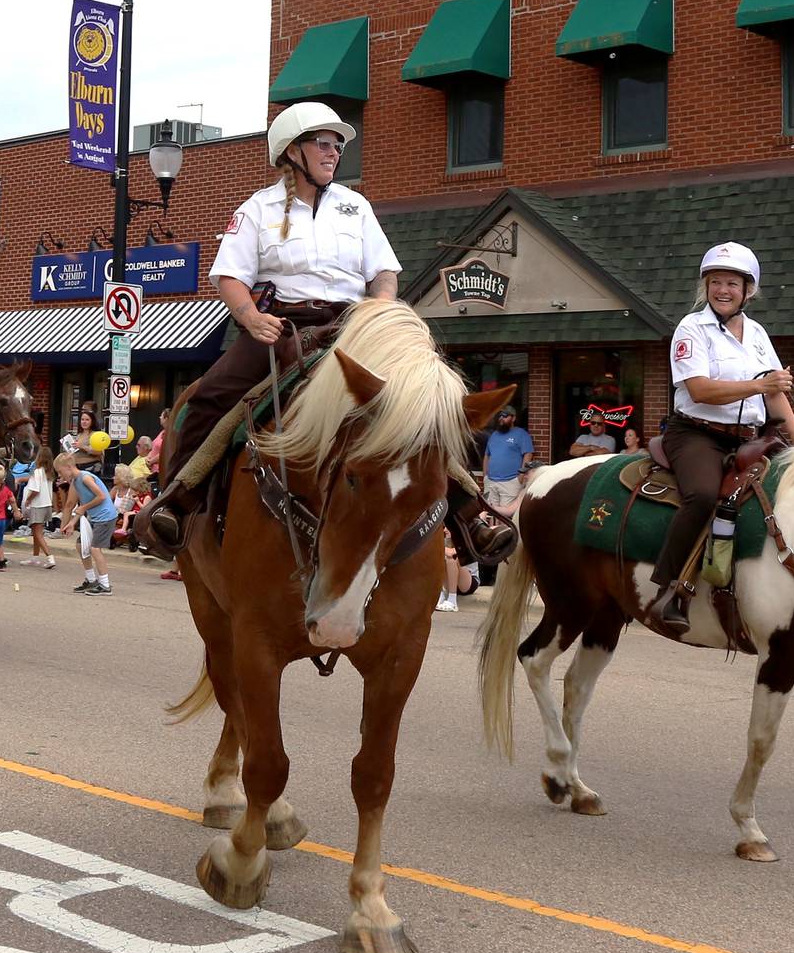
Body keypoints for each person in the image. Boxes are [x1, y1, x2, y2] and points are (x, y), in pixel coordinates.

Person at [134, 100, 514, 565]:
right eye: (323, 144)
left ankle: (471, 513)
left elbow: (383, 273)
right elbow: (229, 276)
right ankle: (178, 500)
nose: (334, 153)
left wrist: (381, 311)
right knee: (210, 397)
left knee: (415, 406)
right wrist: (251, 319)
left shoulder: (356, 207)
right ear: (292, 152)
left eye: (337, 146)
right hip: (280, 327)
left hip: (352, 328)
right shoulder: (257, 209)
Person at [650, 242, 794, 630]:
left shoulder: (756, 332)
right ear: (705, 287)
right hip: (696, 435)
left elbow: (774, 391)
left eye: (732, 283)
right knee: (702, 497)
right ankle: (668, 589)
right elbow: (700, 389)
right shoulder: (691, 328)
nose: (723, 289)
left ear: (748, 290)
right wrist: (758, 386)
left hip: (749, 436)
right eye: (716, 282)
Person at [57, 451, 116, 595]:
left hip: (105, 517)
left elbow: (102, 496)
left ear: (68, 467)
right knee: (80, 545)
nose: (60, 475)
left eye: (60, 471)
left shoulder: (85, 478)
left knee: (95, 549)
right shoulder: (75, 482)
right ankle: (91, 580)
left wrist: (84, 507)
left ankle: (105, 585)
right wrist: (72, 522)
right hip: (93, 518)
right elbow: (81, 506)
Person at [484, 407, 536, 503]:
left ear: (513, 418)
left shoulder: (521, 434)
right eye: (500, 416)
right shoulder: (494, 435)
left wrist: (521, 476)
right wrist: (485, 476)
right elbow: (487, 455)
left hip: (510, 482)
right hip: (491, 481)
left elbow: (528, 454)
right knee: (490, 513)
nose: (501, 418)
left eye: (505, 416)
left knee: (505, 516)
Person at [18, 446, 58, 569]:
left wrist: (28, 500)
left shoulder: (37, 472)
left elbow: (35, 490)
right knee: (37, 532)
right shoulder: (49, 473)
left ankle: (49, 557)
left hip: (37, 505)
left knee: (37, 532)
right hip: (47, 505)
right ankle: (35, 557)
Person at [436, 527, 479, 613]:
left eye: (448, 528)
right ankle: (440, 596)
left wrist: (441, 548)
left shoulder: (467, 540)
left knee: (451, 558)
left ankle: (452, 600)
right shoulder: (444, 540)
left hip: (468, 582)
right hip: (449, 582)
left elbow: (451, 553)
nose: (444, 530)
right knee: (437, 558)